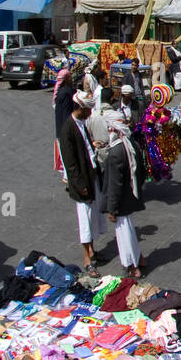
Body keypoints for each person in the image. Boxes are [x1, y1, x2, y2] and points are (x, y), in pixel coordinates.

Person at [58, 91, 106, 277]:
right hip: (82, 182)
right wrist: (80, 185)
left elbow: (84, 145)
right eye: (88, 110)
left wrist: (93, 145)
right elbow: (70, 163)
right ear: (80, 108)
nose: (90, 113)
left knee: (93, 217)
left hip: (91, 175)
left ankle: (93, 251)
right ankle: (87, 259)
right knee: (85, 220)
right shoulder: (67, 130)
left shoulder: (81, 125)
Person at [101, 111, 146, 278]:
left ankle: (132, 265)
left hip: (121, 202)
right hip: (130, 196)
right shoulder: (130, 144)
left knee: (124, 234)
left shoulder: (115, 153)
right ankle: (139, 259)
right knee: (129, 230)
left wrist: (111, 209)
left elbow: (114, 185)